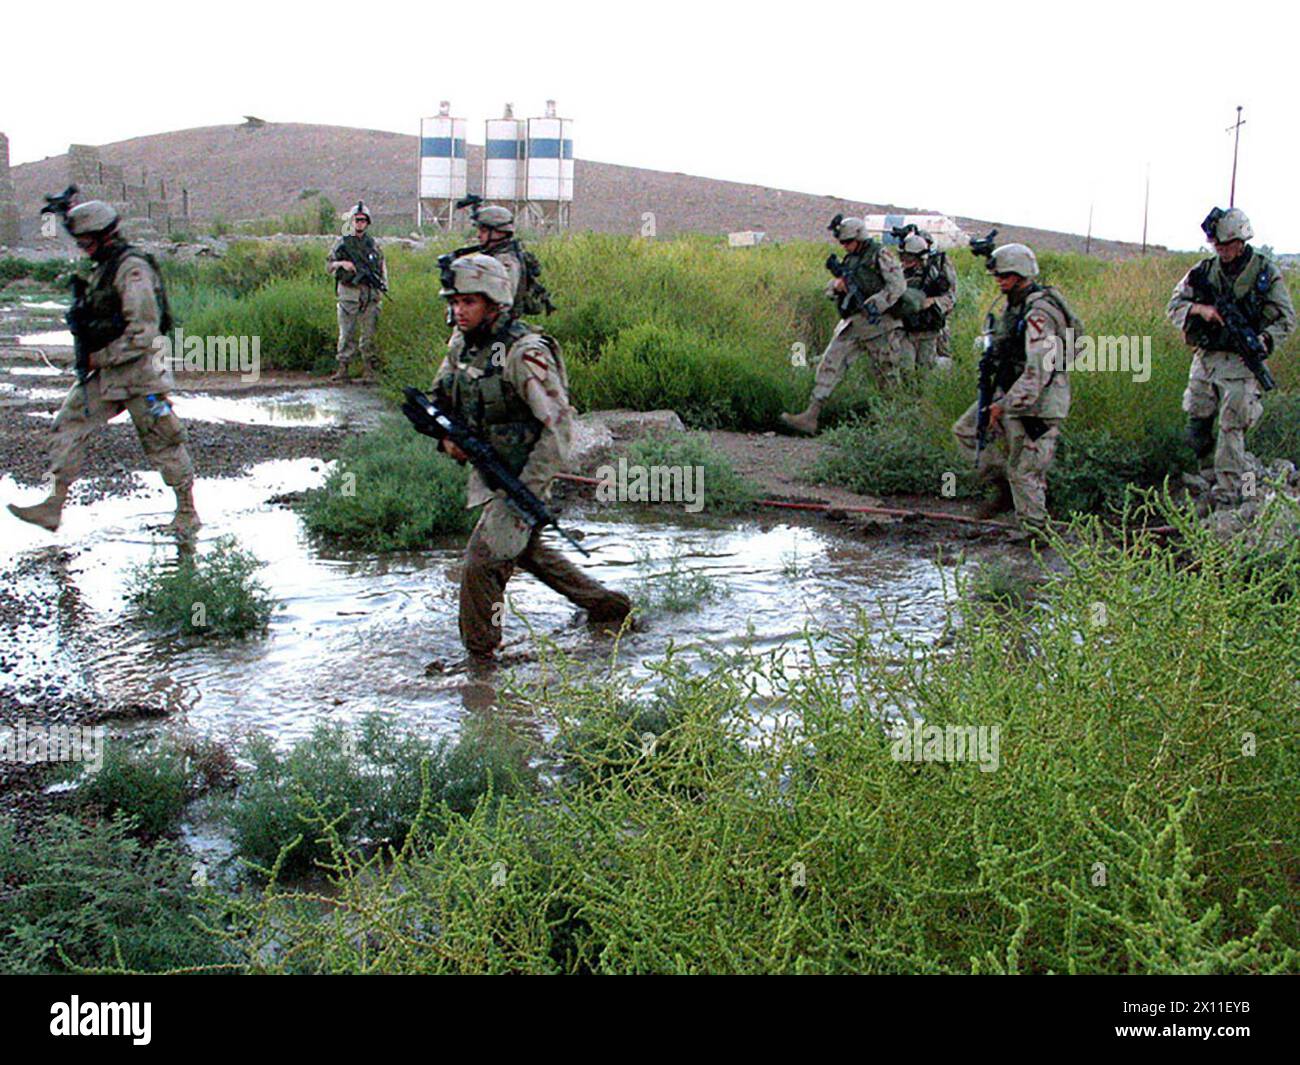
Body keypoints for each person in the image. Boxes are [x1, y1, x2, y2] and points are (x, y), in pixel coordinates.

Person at [433, 253, 631, 657]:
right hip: (492, 472)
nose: (459, 311)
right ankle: (610, 609)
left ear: (494, 302)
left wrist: (526, 494)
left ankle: (482, 660)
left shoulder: (525, 353)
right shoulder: (463, 347)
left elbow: (557, 429)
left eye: (468, 302)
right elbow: (440, 399)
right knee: (527, 552)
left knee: (481, 563)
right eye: (454, 302)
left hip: (524, 479)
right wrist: (445, 436)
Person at [7, 199, 199, 535]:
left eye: (86, 243)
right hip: (110, 376)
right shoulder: (105, 268)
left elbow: (143, 332)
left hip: (143, 378)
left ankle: (187, 512)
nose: (83, 250)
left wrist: (101, 357)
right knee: (68, 423)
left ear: (104, 236)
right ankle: (53, 506)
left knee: (163, 439)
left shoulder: (132, 269)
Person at [1167, 207, 1295, 509]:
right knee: (1197, 421)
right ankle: (1209, 477)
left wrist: (1264, 339)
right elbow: (1174, 305)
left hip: (1240, 362)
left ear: (1241, 240)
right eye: (1217, 246)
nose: (1221, 251)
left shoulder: (1264, 273)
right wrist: (1201, 311)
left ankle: (1231, 495)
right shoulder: (1203, 272)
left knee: (1231, 428)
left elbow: (1286, 319)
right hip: (1206, 358)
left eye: (1226, 245)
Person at [952, 243, 1078, 536]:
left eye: (1004, 276)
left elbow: (1038, 369)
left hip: (1039, 400)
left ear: (1021, 275)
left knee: (1025, 470)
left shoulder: (1039, 313)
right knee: (967, 430)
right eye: (997, 276)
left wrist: (1004, 405)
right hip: (1013, 389)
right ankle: (1003, 491)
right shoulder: (1017, 305)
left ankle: (1036, 533)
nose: (999, 282)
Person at [780, 215, 910, 435]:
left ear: (859, 237)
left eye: (848, 242)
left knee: (887, 376)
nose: (845, 246)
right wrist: (836, 287)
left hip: (880, 325)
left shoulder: (880, 254)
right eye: (842, 243)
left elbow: (897, 286)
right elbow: (836, 286)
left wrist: (875, 305)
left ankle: (894, 427)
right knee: (829, 364)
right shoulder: (850, 260)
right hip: (853, 324)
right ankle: (811, 415)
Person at [327, 201, 387, 383]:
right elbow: (328, 266)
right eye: (357, 220)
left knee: (369, 335)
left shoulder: (373, 245)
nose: (360, 223)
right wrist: (342, 264)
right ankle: (343, 368)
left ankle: (369, 369)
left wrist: (383, 286)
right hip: (349, 294)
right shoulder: (342, 243)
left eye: (363, 220)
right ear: (351, 221)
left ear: (367, 223)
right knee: (347, 334)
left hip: (369, 295)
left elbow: (382, 267)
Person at [897, 231, 958, 371]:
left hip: (927, 331)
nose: (904, 261)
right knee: (906, 369)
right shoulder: (898, 273)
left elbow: (950, 298)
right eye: (903, 256)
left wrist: (932, 301)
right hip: (904, 330)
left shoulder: (934, 275)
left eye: (909, 257)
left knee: (925, 370)